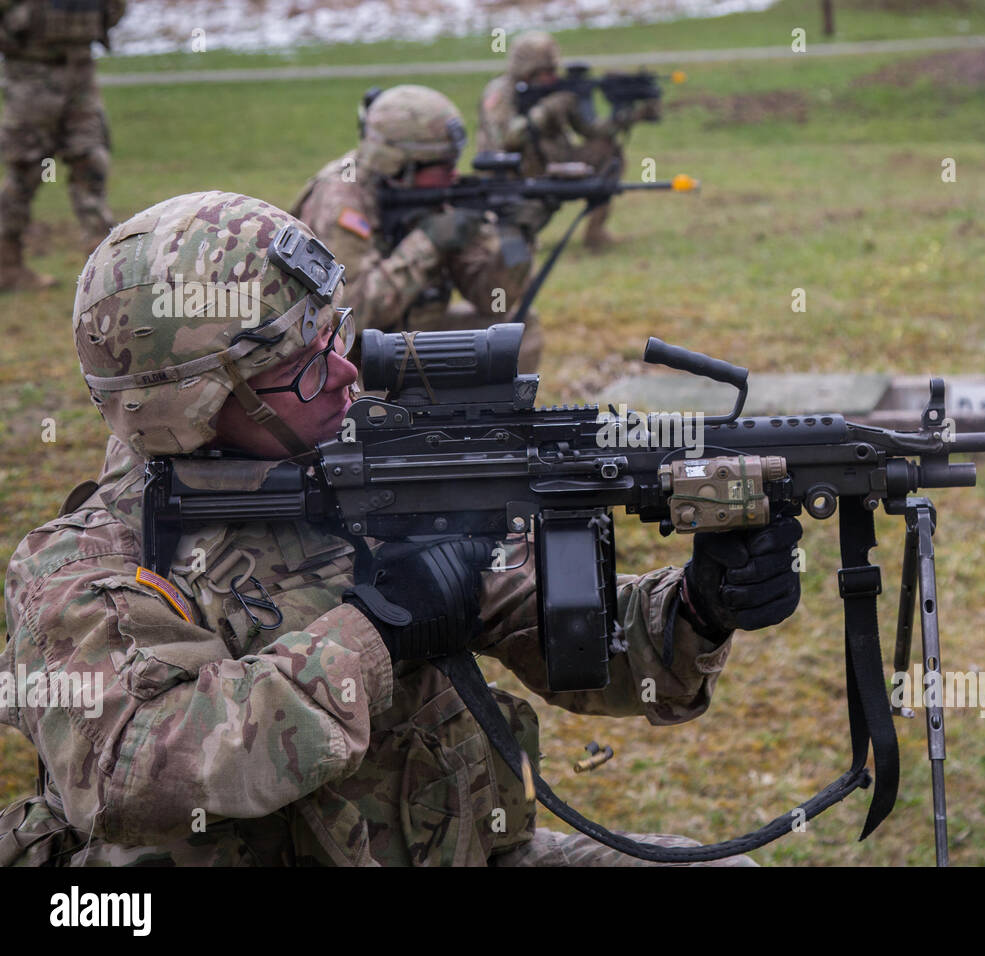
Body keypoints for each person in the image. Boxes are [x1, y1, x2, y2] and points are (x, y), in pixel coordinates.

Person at [0, 190, 803, 866]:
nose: (348, 373)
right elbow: (131, 772)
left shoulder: (368, 471)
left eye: (335, 335)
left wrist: (700, 606)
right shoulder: (82, 568)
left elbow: (566, 638)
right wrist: (376, 637)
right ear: (192, 404)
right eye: (303, 366)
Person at [292, 84, 544, 373]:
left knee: (515, 332)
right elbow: (348, 314)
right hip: (343, 358)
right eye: (443, 164)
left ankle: (488, 417)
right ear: (400, 165)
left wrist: (517, 235)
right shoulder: (341, 199)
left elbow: (492, 299)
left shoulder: (436, 194)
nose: (454, 173)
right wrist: (428, 242)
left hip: (407, 339)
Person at [477, 30, 659, 250]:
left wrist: (628, 115)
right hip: (515, 178)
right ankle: (520, 231)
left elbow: (591, 130)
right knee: (514, 243)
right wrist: (544, 112)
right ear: (526, 71)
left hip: (555, 166)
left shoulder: (560, 91)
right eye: (544, 72)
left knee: (607, 150)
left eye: (553, 70)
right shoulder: (500, 92)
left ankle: (596, 232)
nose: (552, 77)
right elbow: (507, 139)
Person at [0, 0, 124, 292]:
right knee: (26, 170)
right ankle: (6, 264)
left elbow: (114, 9)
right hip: (31, 75)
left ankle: (103, 268)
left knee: (91, 161)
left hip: (81, 72)